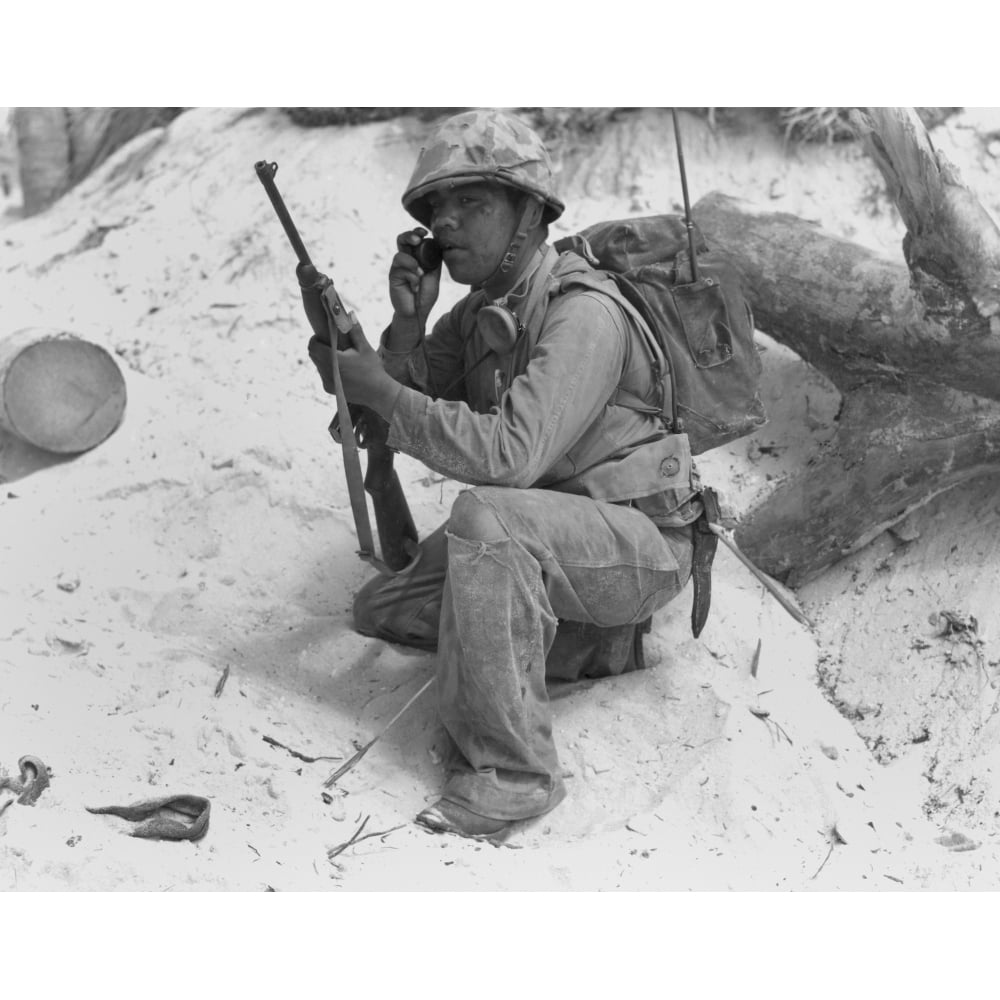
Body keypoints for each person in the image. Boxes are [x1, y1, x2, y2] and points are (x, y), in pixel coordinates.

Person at [309, 109, 703, 839]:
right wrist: (405, 324)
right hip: (553, 534)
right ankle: (572, 641)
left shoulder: (584, 312)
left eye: (472, 204)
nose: (447, 223)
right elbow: (414, 393)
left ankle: (517, 772)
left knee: (483, 517)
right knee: (383, 611)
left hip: (638, 546)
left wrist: (384, 392)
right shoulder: (481, 310)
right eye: (437, 209)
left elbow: (508, 457)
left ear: (530, 213)